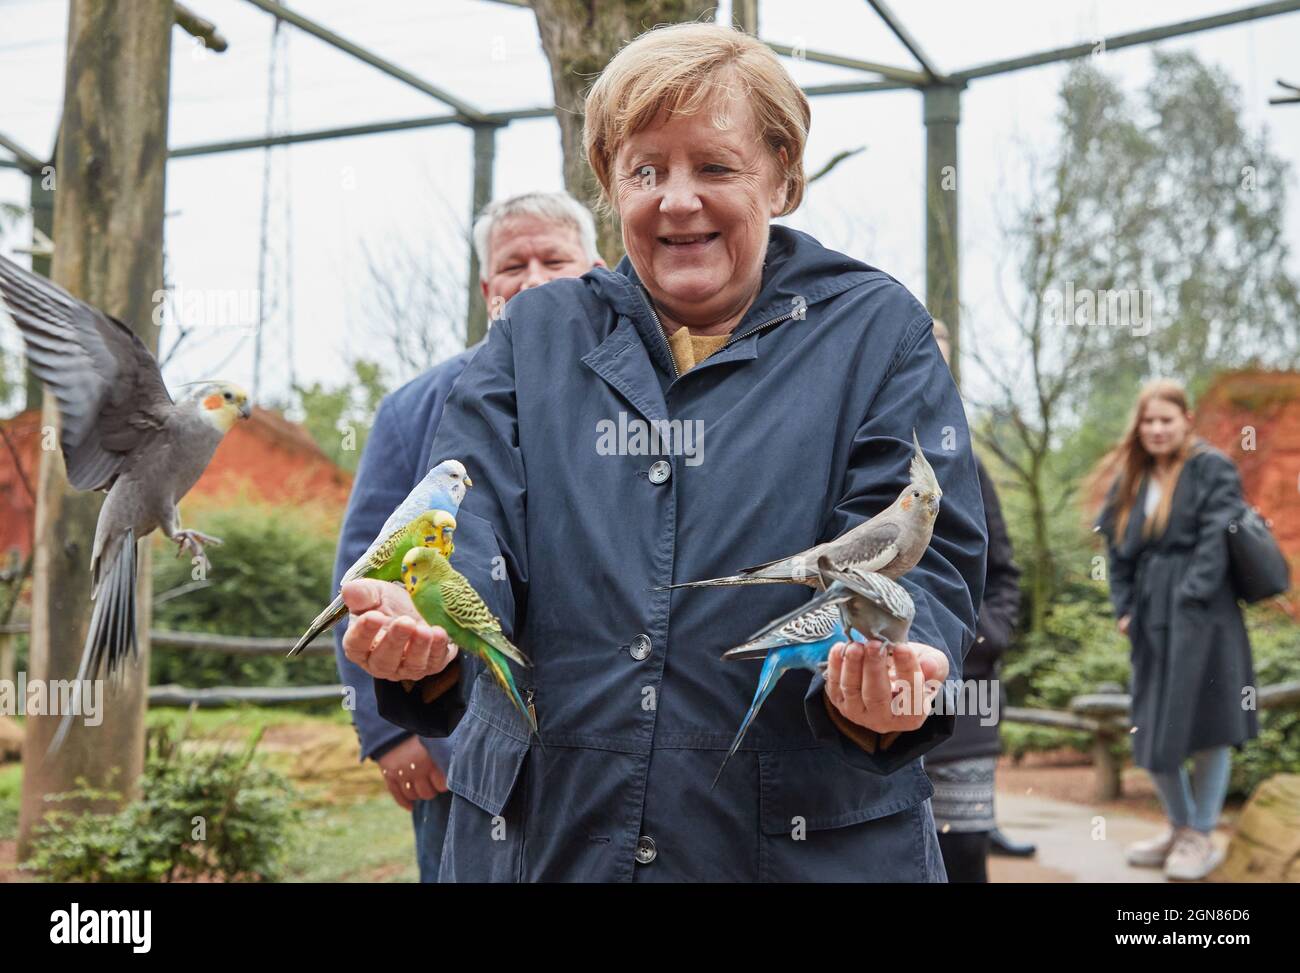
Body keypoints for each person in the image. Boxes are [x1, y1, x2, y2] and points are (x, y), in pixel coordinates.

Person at [342, 22, 988, 882]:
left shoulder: (878, 333)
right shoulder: (535, 337)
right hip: (552, 837)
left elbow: (917, 544)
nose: (676, 198)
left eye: (715, 167)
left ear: (784, 179)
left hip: (799, 844)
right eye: (645, 170)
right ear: (612, 187)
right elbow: (472, 513)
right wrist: (431, 635)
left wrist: (882, 676)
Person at [331, 191, 603, 882]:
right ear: (487, 289)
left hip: (601, 735)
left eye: (555, 258)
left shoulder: (637, 395)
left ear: (598, 268)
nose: (534, 277)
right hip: (457, 738)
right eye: (514, 263)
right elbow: (365, 568)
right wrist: (394, 728)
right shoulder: (414, 410)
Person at [1093, 379, 1258, 881]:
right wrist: (1124, 608)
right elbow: (1115, 550)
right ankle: (1179, 826)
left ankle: (1200, 834)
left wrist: (1188, 600)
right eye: (1149, 421)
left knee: (1209, 727)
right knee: (1151, 728)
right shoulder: (1132, 479)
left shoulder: (1211, 468)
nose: (1158, 429)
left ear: (1186, 420)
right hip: (1150, 620)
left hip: (1207, 620)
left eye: (1167, 419)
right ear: (1138, 427)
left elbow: (1215, 542)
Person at [924, 320, 1025, 882]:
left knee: (963, 852)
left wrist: (986, 636)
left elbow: (1005, 570)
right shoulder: (860, 450)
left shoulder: (969, 463)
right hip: (882, 689)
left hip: (969, 695)